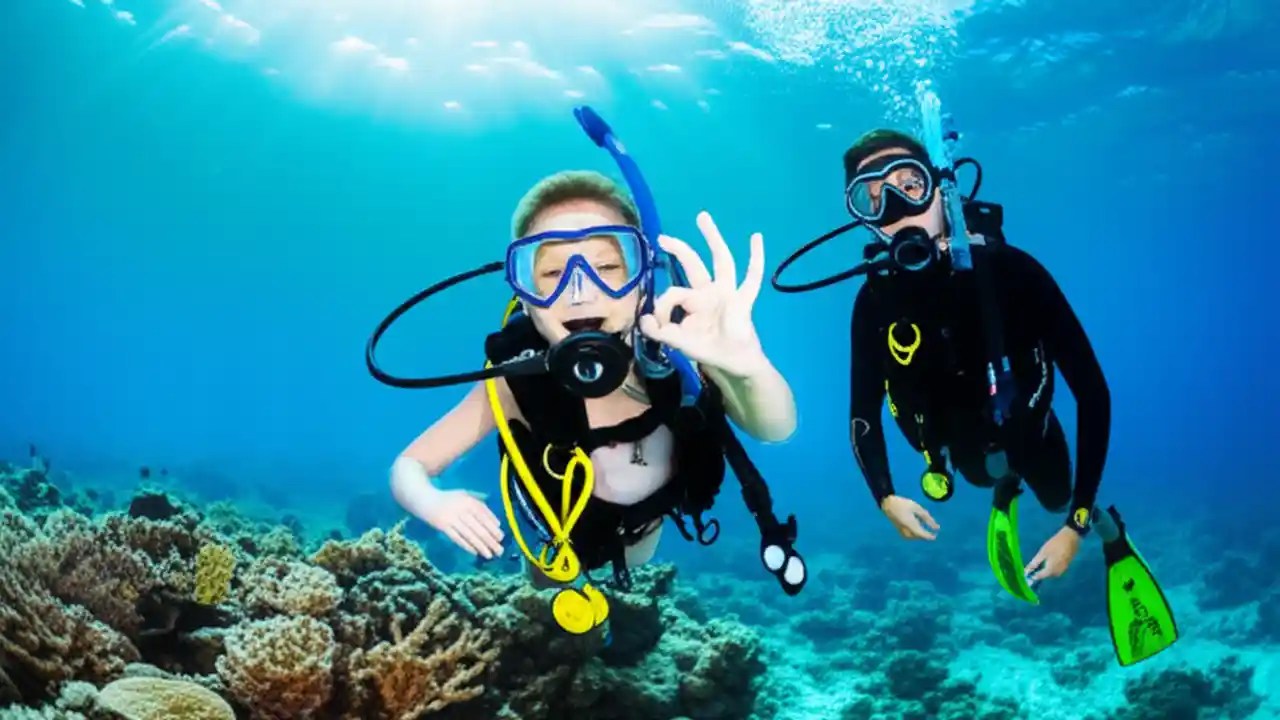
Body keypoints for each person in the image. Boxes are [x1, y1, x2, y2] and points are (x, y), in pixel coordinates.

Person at [368, 107, 807, 636]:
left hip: (648, 531)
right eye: (551, 271)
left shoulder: (678, 348)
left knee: (637, 560)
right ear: (524, 295)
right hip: (560, 546)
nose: (580, 289)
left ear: (643, 276)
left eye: (607, 265)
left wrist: (746, 366)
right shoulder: (515, 381)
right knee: (550, 596)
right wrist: (434, 503)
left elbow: (776, 429)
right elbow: (409, 466)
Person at [770, 110, 1177, 666]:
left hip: (1032, 431)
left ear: (941, 188)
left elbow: (1093, 393)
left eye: (909, 185)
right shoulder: (874, 303)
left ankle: (1110, 532)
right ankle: (1005, 488)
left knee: (1058, 495)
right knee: (985, 474)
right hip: (956, 450)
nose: (896, 210)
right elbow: (861, 412)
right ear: (863, 216)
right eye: (874, 197)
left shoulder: (1013, 273)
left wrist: (1076, 528)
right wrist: (884, 494)